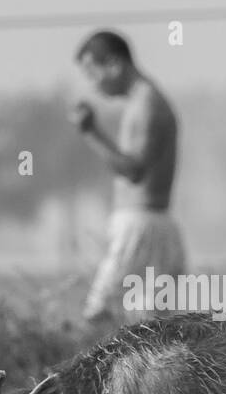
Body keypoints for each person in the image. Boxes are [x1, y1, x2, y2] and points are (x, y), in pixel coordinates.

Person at [70, 29, 186, 324]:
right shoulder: (146, 101)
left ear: (114, 64)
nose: (92, 84)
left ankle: (85, 370)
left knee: (99, 314)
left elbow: (134, 170)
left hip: (140, 227)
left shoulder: (148, 105)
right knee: (156, 326)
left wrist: (91, 133)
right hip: (155, 224)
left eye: (91, 72)